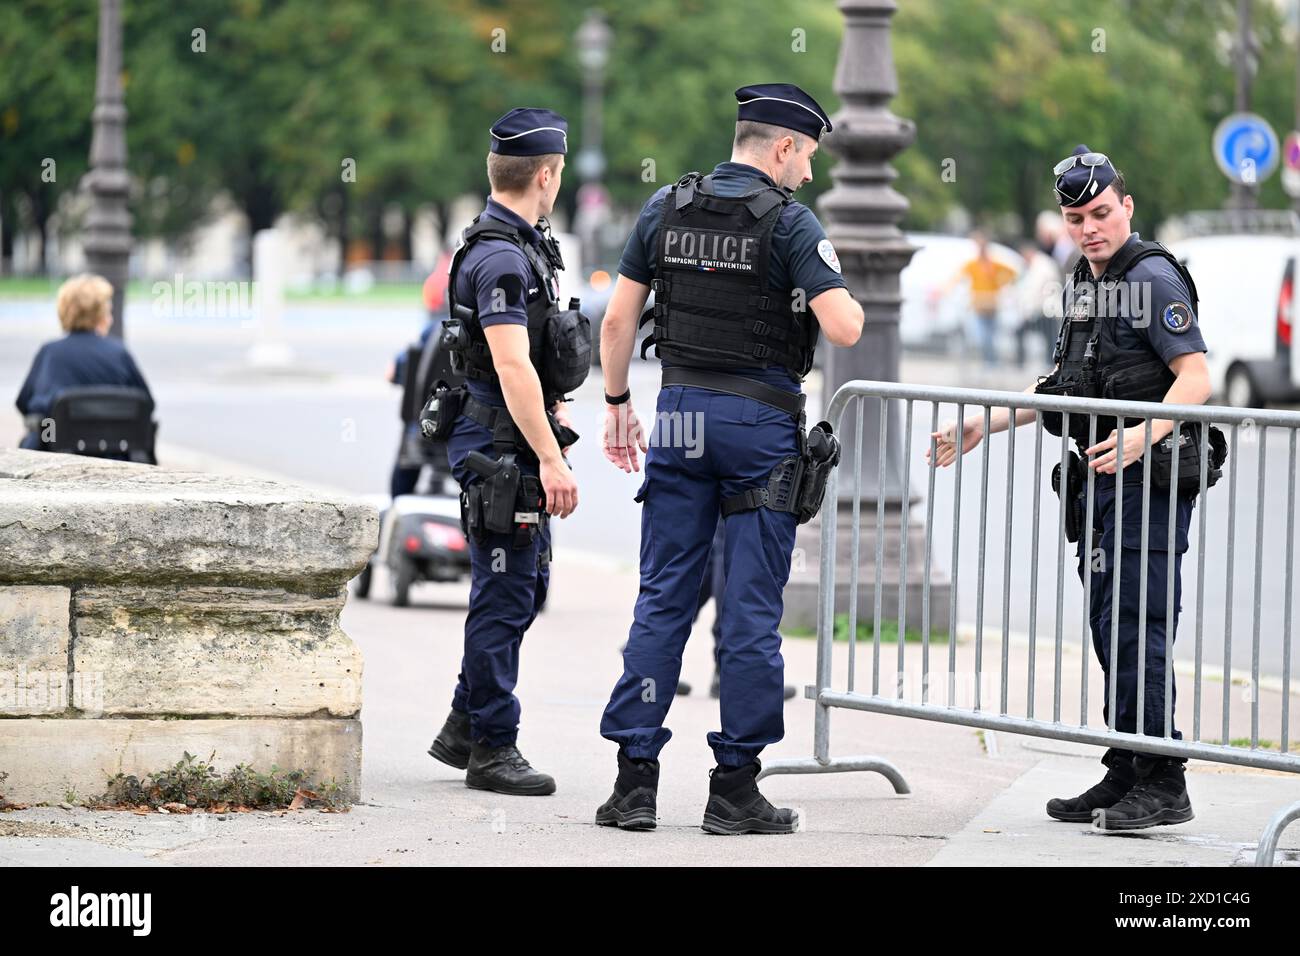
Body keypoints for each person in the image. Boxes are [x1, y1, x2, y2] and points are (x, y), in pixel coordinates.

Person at [595, 83, 863, 834]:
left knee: (663, 598)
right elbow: (844, 327)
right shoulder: (790, 223)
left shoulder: (666, 206)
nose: (807, 172)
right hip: (757, 426)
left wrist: (617, 406)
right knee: (748, 612)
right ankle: (734, 789)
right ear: (782, 147)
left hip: (678, 416)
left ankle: (633, 784)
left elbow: (618, 317)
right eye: (806, 155)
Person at [927, 146, 1213, 831]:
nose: (1090, 227)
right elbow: (1063, 388)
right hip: (1099, 480)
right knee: (1109, 625)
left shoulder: (1150, 278)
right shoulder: (1085, 283)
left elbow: (1196, 375)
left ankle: (1164, 778)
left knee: (1138, 624)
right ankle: (1127, 767)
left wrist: (1145, 433)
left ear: (1127, 207)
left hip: (1147, 477)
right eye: (1077, 216)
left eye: (1102, 213)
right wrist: (984, 425)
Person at [423, 107, 585, 796]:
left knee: (526, 583)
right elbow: (513, 365)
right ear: (545, 175)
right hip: (497, 441)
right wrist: (551, 458)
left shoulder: (520, 245)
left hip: (507, 432)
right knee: (505, 589)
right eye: (559, 174)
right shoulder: (500, 257)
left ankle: (464, 724)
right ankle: (493, 745)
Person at [16, 274, 152, 453]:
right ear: (100, 316)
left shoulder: (50, 353)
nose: (110, 319)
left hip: (59, 455)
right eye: (108, 312)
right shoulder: (119, 353)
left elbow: (25, 403)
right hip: (114, 455)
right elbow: (146, 405)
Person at [934, 231, 1018, 367]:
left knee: (990, 338)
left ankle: (991, 364)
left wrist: (1001, 281)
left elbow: (1012, 273)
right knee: (983, 337)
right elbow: (957, 277)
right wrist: (946, 290)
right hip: (978, 306)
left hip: (992, 306)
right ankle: (989, 363)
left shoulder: (994, 264)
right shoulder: (973, 264)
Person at [1013, 240, 1062, 369]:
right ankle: (1049, 364)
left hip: (1045, 309)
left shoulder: (1042, 265)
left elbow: (1037, 289)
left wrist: (1029, 310)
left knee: (1049, 337)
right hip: (1041, 309)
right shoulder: (1037, 265)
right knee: (1049, 337)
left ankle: (1050, 364)